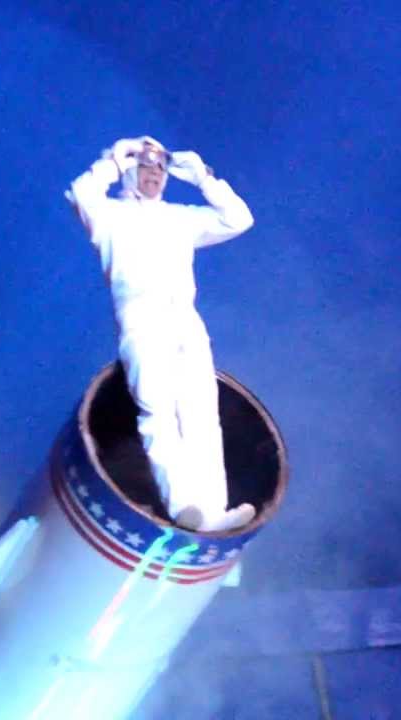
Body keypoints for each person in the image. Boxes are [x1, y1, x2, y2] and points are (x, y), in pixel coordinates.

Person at [67, 136, 256, 532]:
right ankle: (182, 504)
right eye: (146, 168)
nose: (154, 175)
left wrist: (204, 178)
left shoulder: (181, 218)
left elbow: (239, 219)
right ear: (131, 172)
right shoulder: (110, 216)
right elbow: (82, 192)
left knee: (201, 410)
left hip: (184, 320)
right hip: (142, 318)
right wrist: (117, 158)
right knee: (158, 409)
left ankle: (213, 510)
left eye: (160, 169)